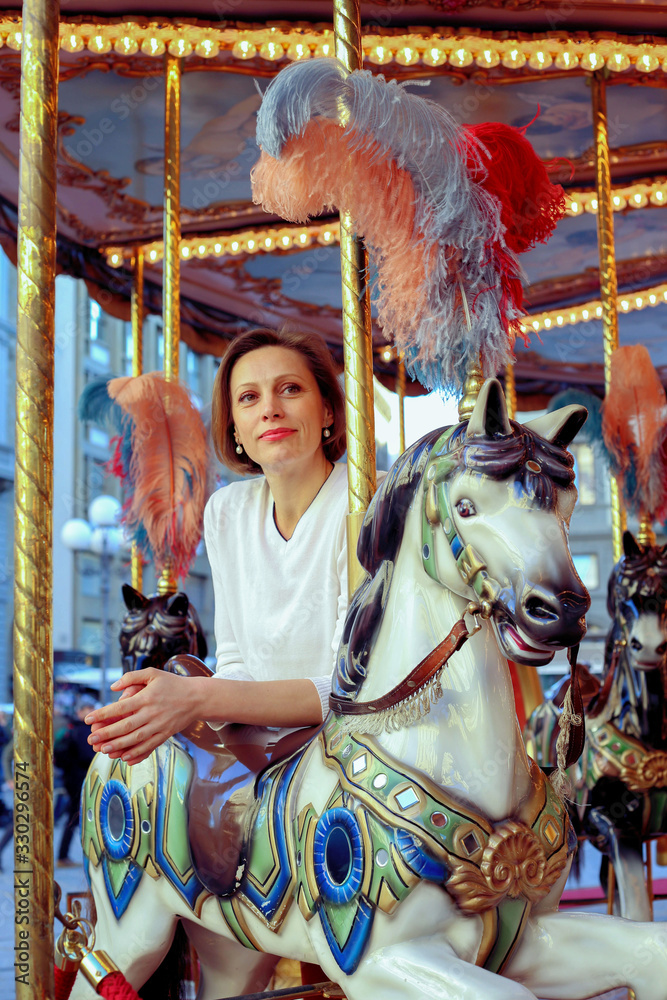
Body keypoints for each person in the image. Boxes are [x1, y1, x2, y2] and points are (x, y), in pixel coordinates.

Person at [86, 328, 349, 765]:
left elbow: (348, 686)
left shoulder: (364, 504)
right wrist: (190, 699)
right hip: (262, 742)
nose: (269, 409)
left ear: (326, 410)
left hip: (350, 746)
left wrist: (197, 697)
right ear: (235, 429)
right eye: (248, 398)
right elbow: (234, 660)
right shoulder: (227, 511)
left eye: (290, 389)